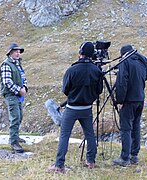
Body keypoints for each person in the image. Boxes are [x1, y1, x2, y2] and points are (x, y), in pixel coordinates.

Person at [48, 42, 103, 173]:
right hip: (87, 108)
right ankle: (90, 161)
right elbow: (99, 90)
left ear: (80, 53)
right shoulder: (97, 70)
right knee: (90, 134)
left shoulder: (72, 70)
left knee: (64, 135)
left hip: (72, 108)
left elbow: (65, 89)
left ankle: (59, 165)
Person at [113, 45, 147, 166]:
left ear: (123, 54)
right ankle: (134, 155)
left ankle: (125, 158)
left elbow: (122, 82)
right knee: (136, 126)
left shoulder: (125, 61)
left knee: (126, 128)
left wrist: (120, 100)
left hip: (129, 100)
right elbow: (146, 76)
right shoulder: (142, 60)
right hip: (140, 98)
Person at [0, 43, 28, 153]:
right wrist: (19, 90)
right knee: (15, 117)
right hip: (11, 95)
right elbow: (7, 82)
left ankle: (16, 136)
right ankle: (14, 142)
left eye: (19, 51)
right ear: (10, 52)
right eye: (16, 51)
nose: (18, 53)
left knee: (20, 116)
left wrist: (25, 87)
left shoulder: (18, 64)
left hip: (18, 94)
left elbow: (23, 77)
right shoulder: (6, 64)